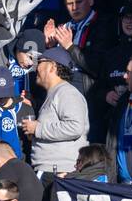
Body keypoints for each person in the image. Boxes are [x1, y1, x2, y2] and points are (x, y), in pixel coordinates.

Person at [21, 47, 90, 175]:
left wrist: (38, 129)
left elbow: (75, 127)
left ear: (52, 67)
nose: (36, 67)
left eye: (40, 62)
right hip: (52, 169)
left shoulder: (67, 93)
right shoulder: (56, 93)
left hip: (59, 170)